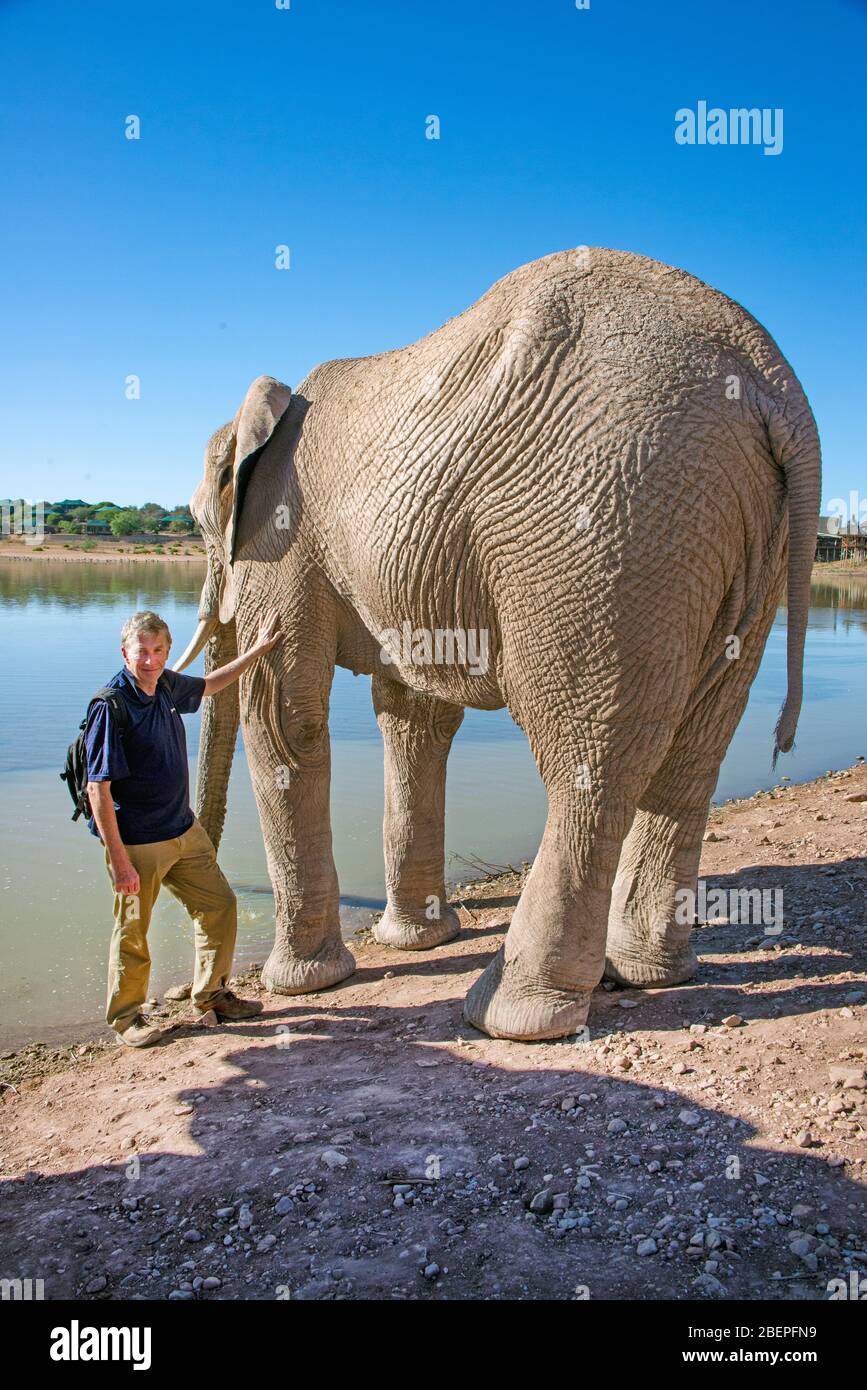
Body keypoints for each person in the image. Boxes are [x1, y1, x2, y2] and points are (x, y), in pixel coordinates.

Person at [84, 607, 282, 1047]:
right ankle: (127, 1019)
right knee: (133, 928)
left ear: (168, 651)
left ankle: (211, 996)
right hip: (138, 843)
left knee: (219, 905)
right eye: (142, 652)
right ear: (125, 653)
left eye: (158, 650)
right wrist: (119, 860)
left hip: (184, 832)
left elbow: (210, 685)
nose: (150, 659)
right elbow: (98, 787)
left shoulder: (167, 686)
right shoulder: (110, 705)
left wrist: (258, 650)